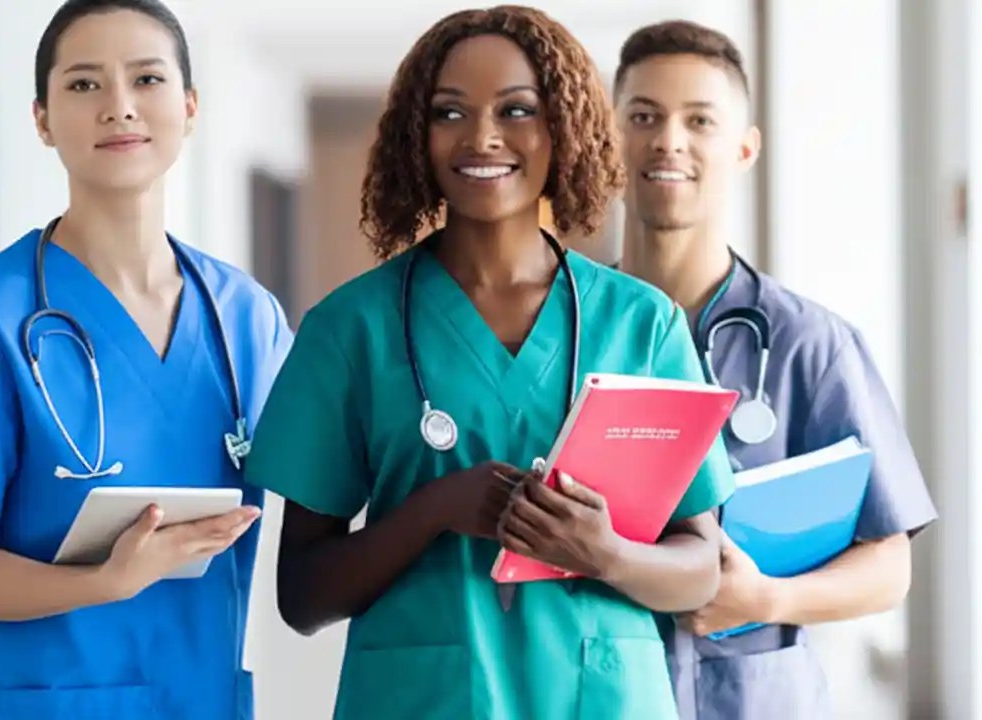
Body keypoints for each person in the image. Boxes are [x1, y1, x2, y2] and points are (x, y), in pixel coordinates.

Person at [243, 7, 735, 720]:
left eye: (517, 110)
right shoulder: (351, 329)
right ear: (418, 132)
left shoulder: (642, 324)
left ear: (561, 125)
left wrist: (606, 553)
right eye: (450, 112)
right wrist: (433, 511)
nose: (482, 137)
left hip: (599, 699)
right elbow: (303, 597)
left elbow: (698, 570)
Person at [0, 1, 293, 717]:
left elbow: (332, 482)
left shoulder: (245, 316)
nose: (120, 108)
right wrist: (111, 580)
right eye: (85, 85)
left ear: (189, 108)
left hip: (197, 697)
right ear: (42, 118)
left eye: (148, 80)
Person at [612, 21, 939, 720]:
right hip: (599, 689)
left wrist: (767, 599)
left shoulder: (810, 345)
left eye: (700, 119)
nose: (669, 139)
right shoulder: (569, 333)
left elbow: (889, 565)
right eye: (644, 116)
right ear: (610, 141)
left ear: (744, 147)